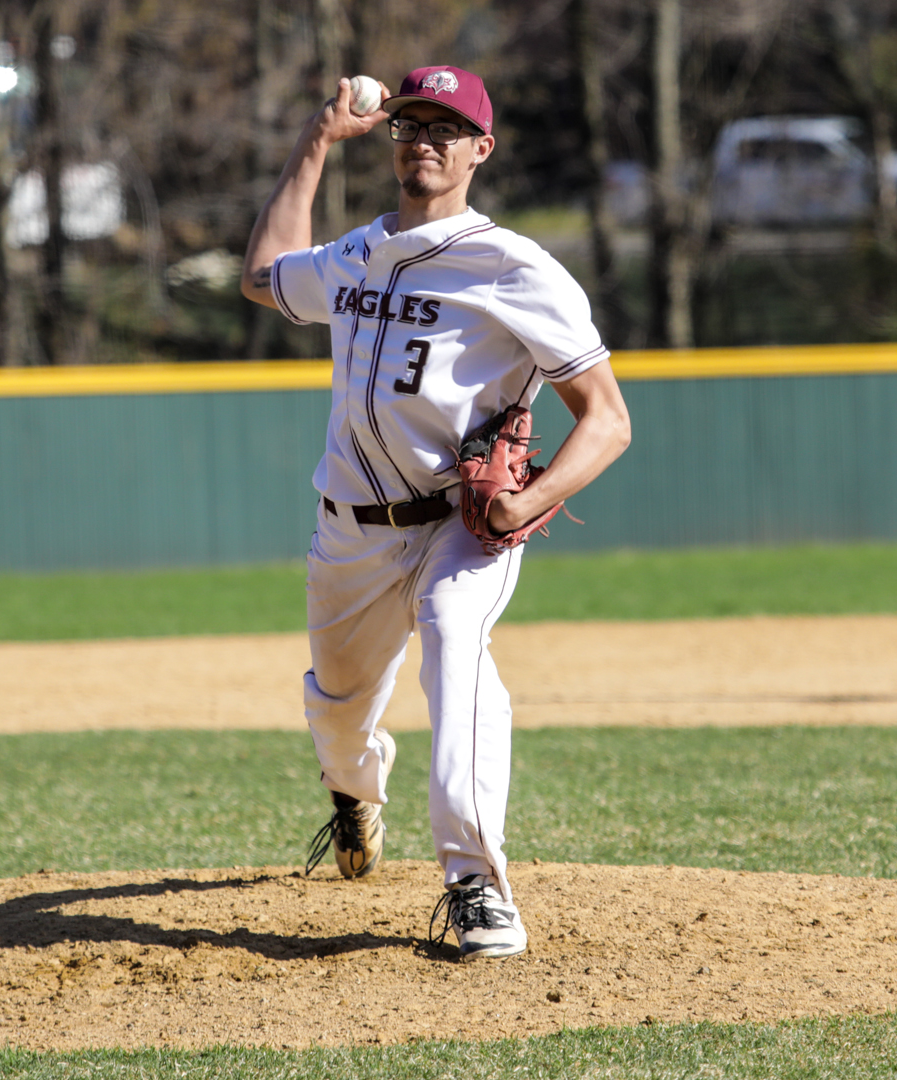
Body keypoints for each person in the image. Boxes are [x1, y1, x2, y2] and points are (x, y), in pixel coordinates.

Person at [239, 65, 631, 960]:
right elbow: (262, 276)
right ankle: (355, 791)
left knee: (457, 641)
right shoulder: (353, 254)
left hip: (461, 522)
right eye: (412, 122)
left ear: (480, 150)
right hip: (349, 526)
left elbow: (608, 420)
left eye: (447, 128)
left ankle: (475, 883)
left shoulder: (515, 266)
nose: (425, 138)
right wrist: (314, 141)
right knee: (339, 715)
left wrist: (530, 499)